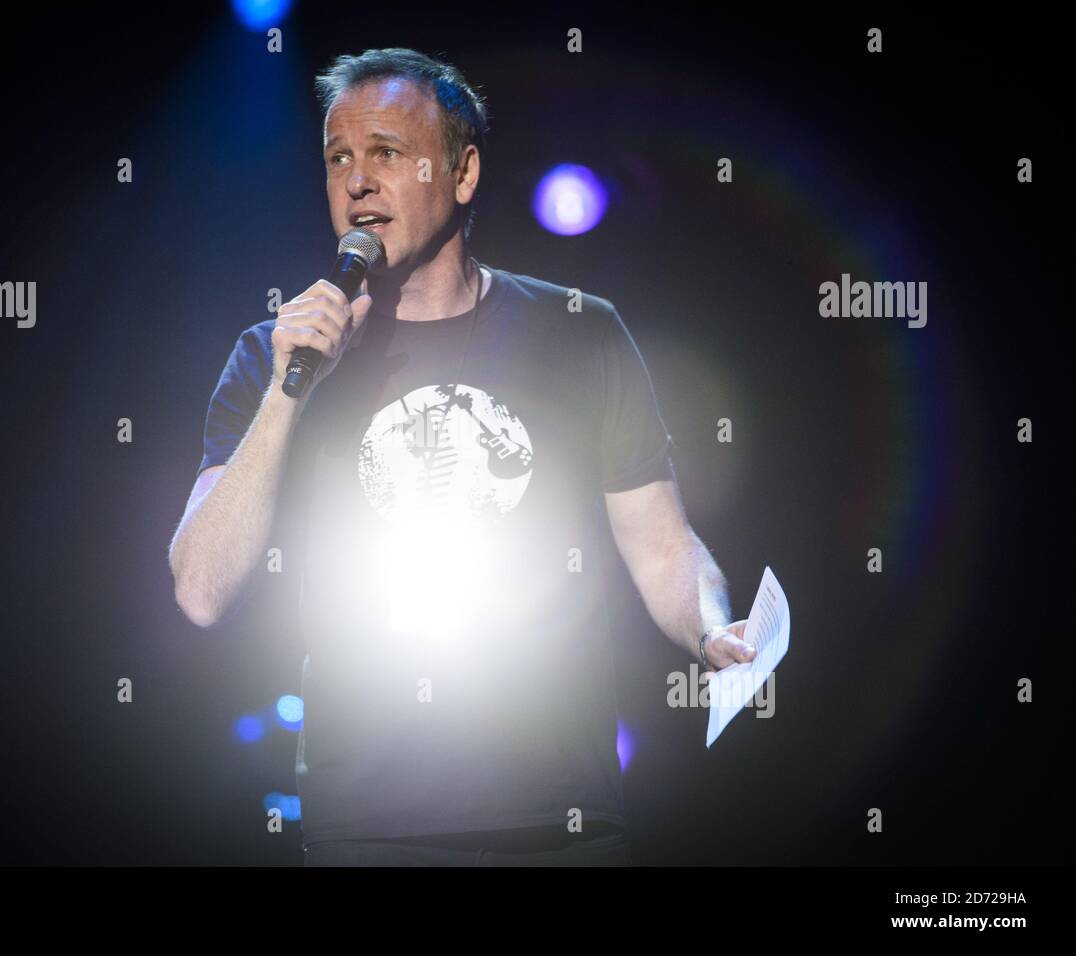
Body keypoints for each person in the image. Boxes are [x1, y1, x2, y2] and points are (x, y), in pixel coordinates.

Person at [168, 48, 756, 866]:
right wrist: (287, 394)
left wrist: (713, 627)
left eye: (387, 153)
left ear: (463, 171)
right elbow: (200, 588)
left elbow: (662, 546)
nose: (357, 181)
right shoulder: (274, 358)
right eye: (338, 158)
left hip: (562, 817)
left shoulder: (579, 331)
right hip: (370, 826)